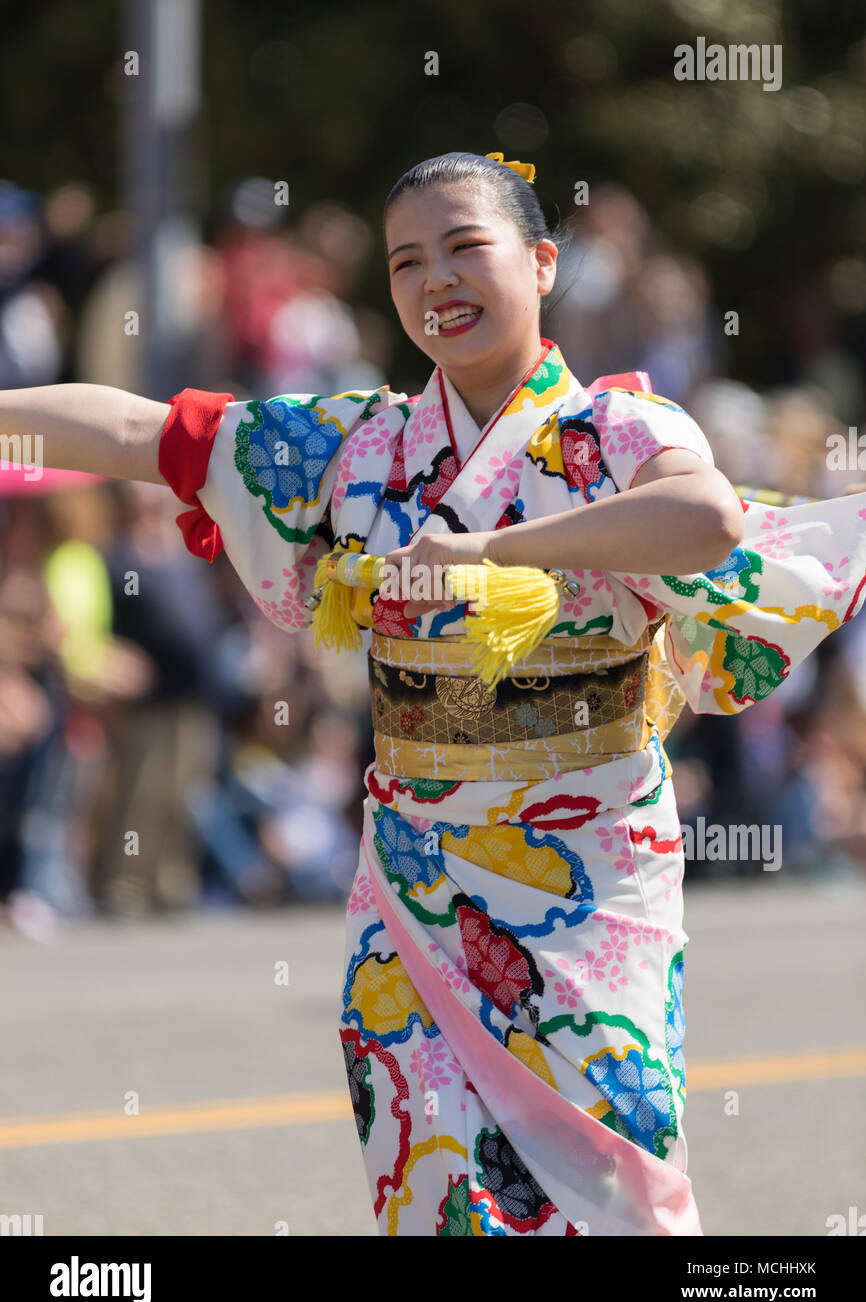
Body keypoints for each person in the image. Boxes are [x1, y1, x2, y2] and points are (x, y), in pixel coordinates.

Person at [3, 150, 865, 1236]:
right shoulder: (355, 446)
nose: (434, 280)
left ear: (542, 263)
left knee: (615, 1187)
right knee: (435, 1192)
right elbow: (140, 432)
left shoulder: (617, 431)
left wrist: (495, 548)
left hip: (587, 870)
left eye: (466, 247)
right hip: (413, 877)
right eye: (407, 261)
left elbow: (705, 520)